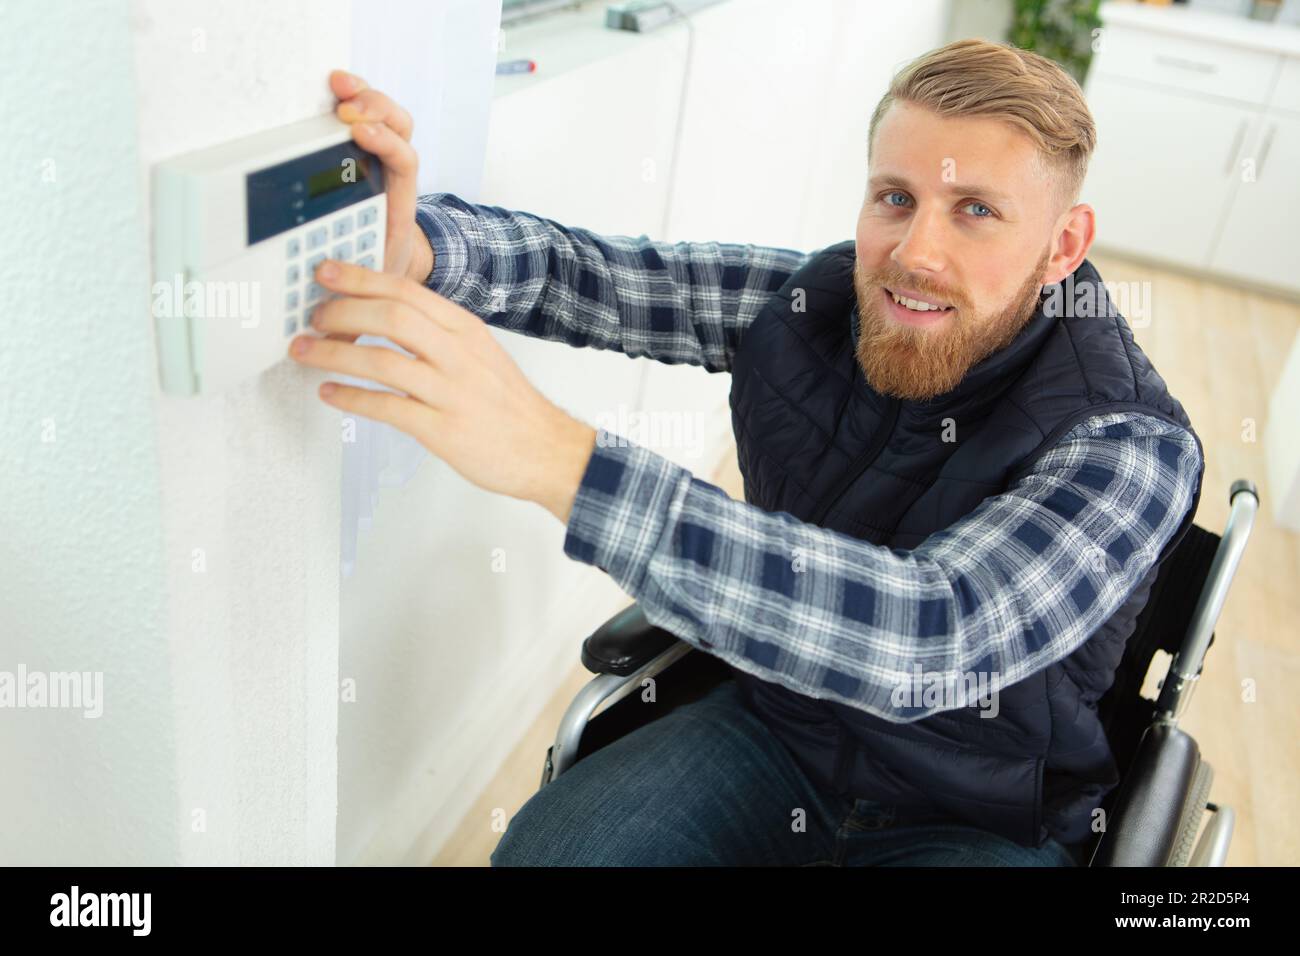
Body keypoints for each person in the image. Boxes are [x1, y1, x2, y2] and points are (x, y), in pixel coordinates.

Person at [290, 38, 1204, 867]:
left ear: (1062, 244)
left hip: (978, 815)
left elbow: (930, 640)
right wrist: (419, 248)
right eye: (896, 199)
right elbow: (596, 277)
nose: (914, 253)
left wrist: (563, 463)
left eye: (975, 211)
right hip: (779, 731)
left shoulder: (1128, 443)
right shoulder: (821, 307)